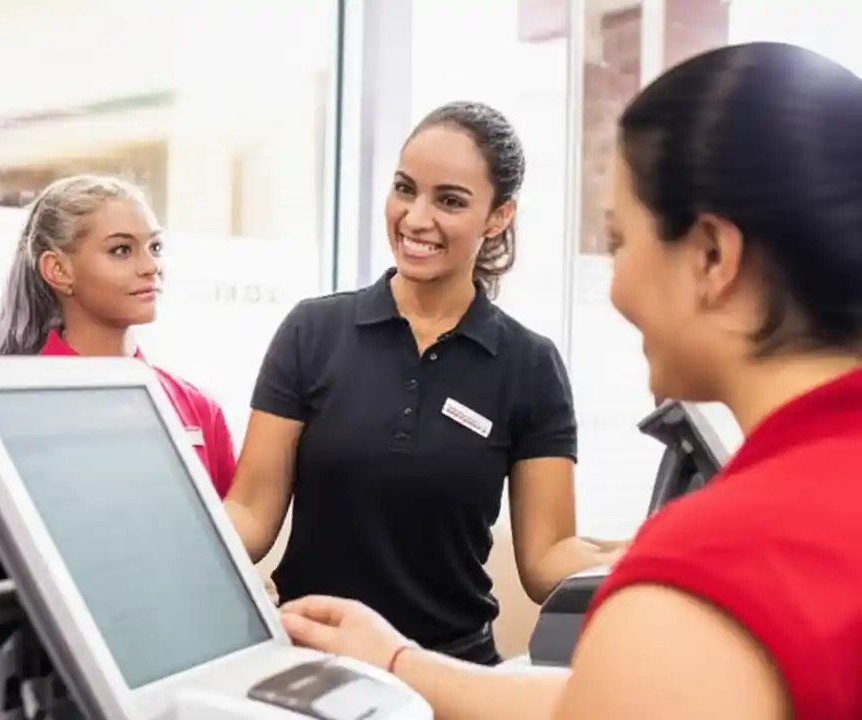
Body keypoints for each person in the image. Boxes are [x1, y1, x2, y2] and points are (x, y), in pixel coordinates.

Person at [278, 42, 862, 719]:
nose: (615, 287)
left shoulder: (708, 572)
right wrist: (398, 662)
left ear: (711, 256)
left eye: (618, 242)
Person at [226, 101, 616, 665]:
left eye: (450, 201)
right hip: (311, 663)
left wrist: (646, 558)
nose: (414, 218)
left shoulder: (530, 365)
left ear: (498, 216)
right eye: (405, 189)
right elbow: (253, 512)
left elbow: (546, 559)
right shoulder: (312, 332)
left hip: (450, 673)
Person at [0, 174, 237, 497]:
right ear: (58, 270)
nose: (151, 266)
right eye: (122, 250)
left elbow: (227, 539)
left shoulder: (200, 409)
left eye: (155, 247)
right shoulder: (8, 408)